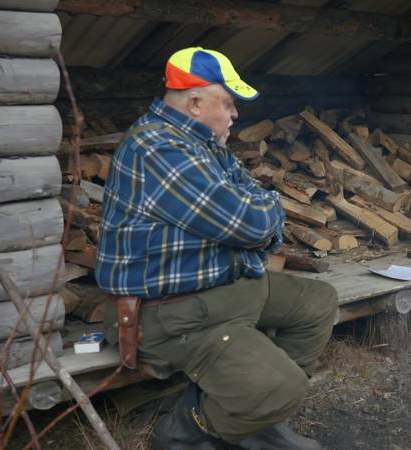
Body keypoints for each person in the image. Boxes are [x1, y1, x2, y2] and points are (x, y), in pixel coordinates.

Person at [96, 47, 337, 449]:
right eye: (228, 103)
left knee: (317, 302)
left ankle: (250, 411)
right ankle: (185, 432)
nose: (234, 114)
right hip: (174, 313)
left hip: (220, 291)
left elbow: (258, 206)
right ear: (194, 103)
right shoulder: (159, 147)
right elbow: (253, 220)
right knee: (285, 388)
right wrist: (263, 217)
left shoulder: (205, 145)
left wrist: (263, 217)